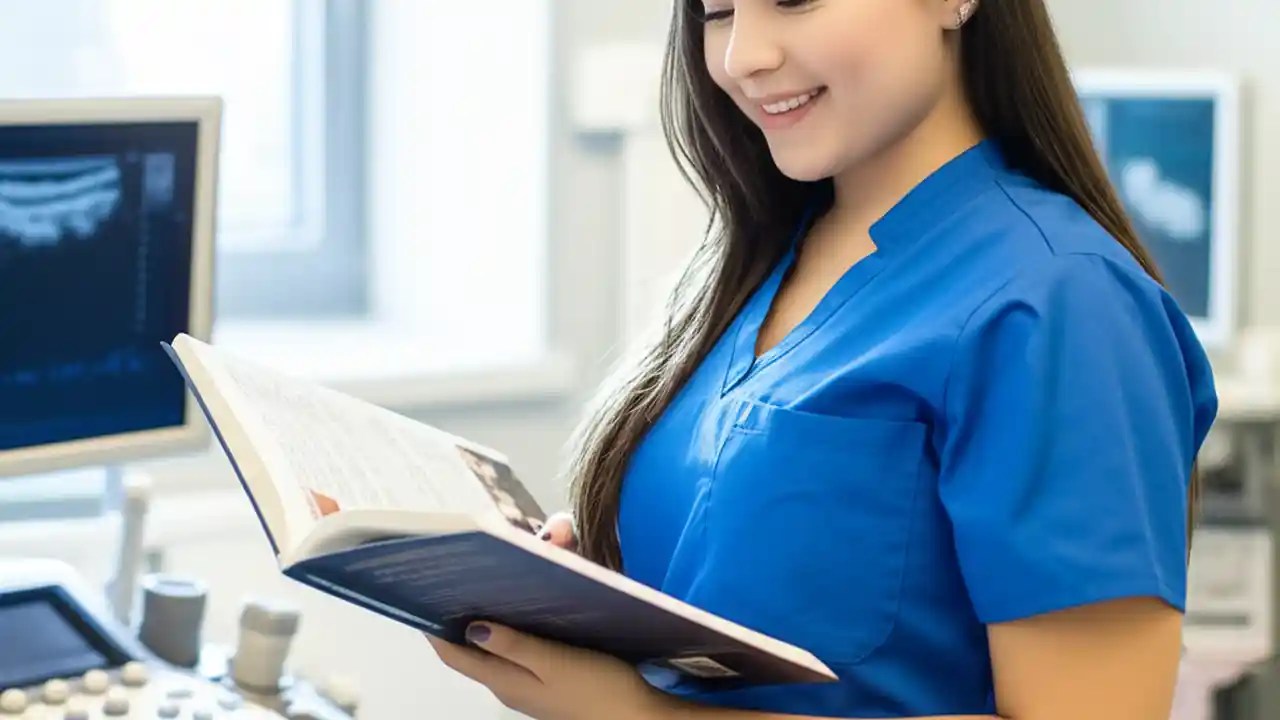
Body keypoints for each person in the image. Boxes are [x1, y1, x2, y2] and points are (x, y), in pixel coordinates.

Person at [426, 1, 1219, 718]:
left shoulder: (1060, 302)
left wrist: (643, 716)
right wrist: (580, 607)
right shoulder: (743, 270)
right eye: (718, 11)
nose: (742, 55)